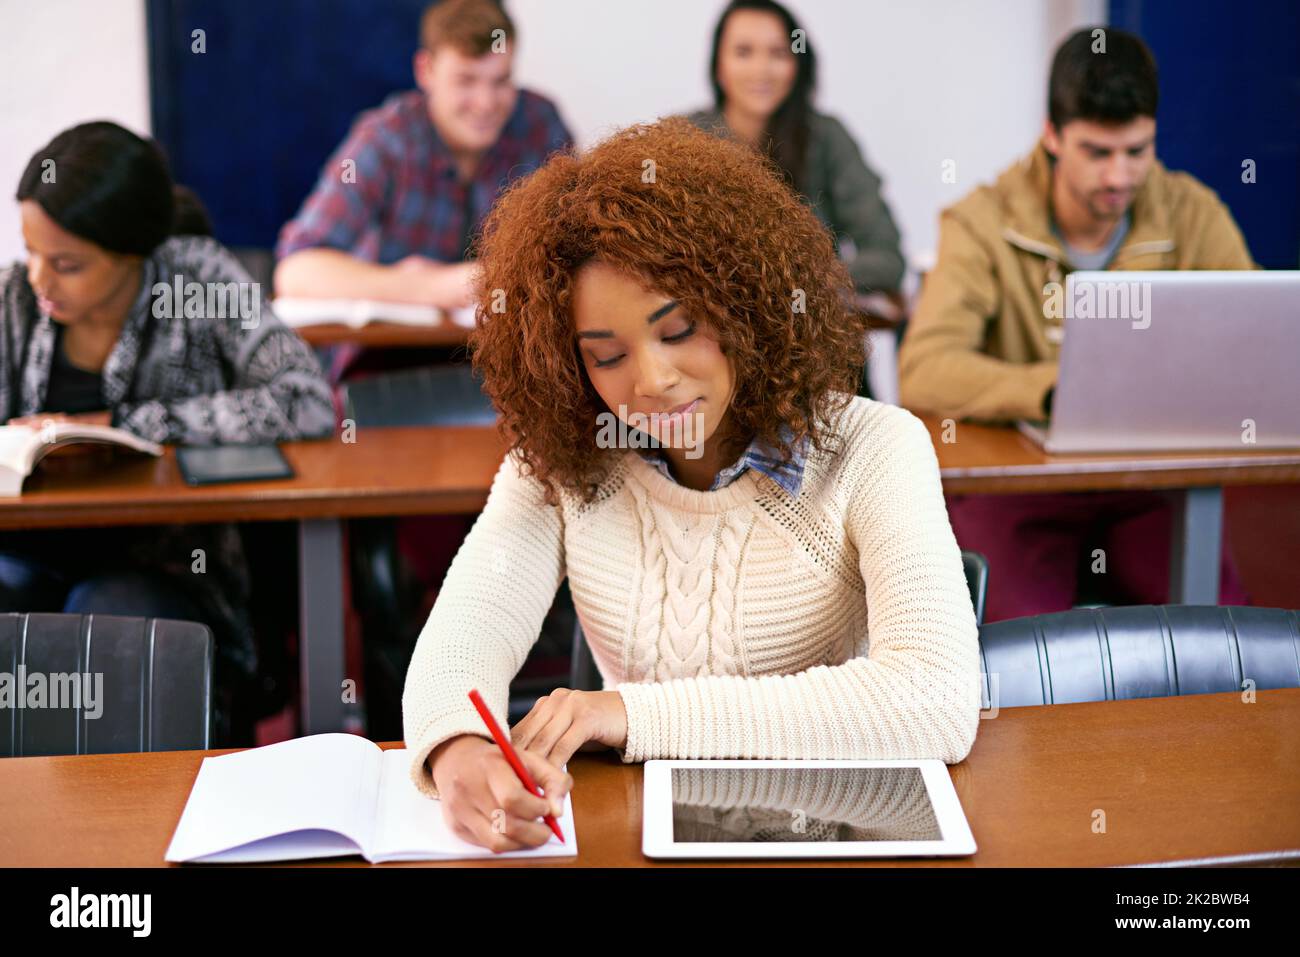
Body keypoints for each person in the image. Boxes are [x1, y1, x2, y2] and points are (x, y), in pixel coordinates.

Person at [402, 117, 980, 853]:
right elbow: (462, 638)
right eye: (606, 356)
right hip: (635, 837)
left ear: (748, 305)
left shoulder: (875, 446)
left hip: (831, 833)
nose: (652, 380)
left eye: (679, 332)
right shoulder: (561, 458)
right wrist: (457, 750)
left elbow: (935, 699)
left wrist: (630, 713)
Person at [897, 27, 1255, 622]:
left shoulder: (1193, 212)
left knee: (1226, 631)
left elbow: (1254, 337)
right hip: (1019, 488)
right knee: (1014, 659)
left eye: (1137, 151)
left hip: (1150, 487)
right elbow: (924, 368)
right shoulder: (980, 222)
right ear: (1053, 136)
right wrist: (1055, 390)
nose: (1119, 177)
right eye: (1097, 152)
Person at [0, 120, 335, 741]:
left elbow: (306, 400)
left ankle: (126, 829)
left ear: (133, 254)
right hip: (30, 551)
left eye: (67, 263)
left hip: (172, 567)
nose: (40, 279)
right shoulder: (19, 300)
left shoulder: (195, 280)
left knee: (104, 624)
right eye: (31, 251)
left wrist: (136, 425)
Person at [273, 0, 573, 379]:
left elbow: (576, 256)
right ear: (426, 71)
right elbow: (296, 271)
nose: (485, 104)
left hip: (510, 360)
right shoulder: (386, 138)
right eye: (466, 81)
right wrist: (433, 287)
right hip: (389, 365)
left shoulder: (541, 126)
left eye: (501, 82)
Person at [684, 0, 905, 297]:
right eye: (743, 52)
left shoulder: (826, 137)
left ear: (797, 64)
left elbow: (886, 257)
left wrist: (809, 279)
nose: (762, 70)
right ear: (719, 67)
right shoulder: (684, 139)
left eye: (778, 53)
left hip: (805, 324)